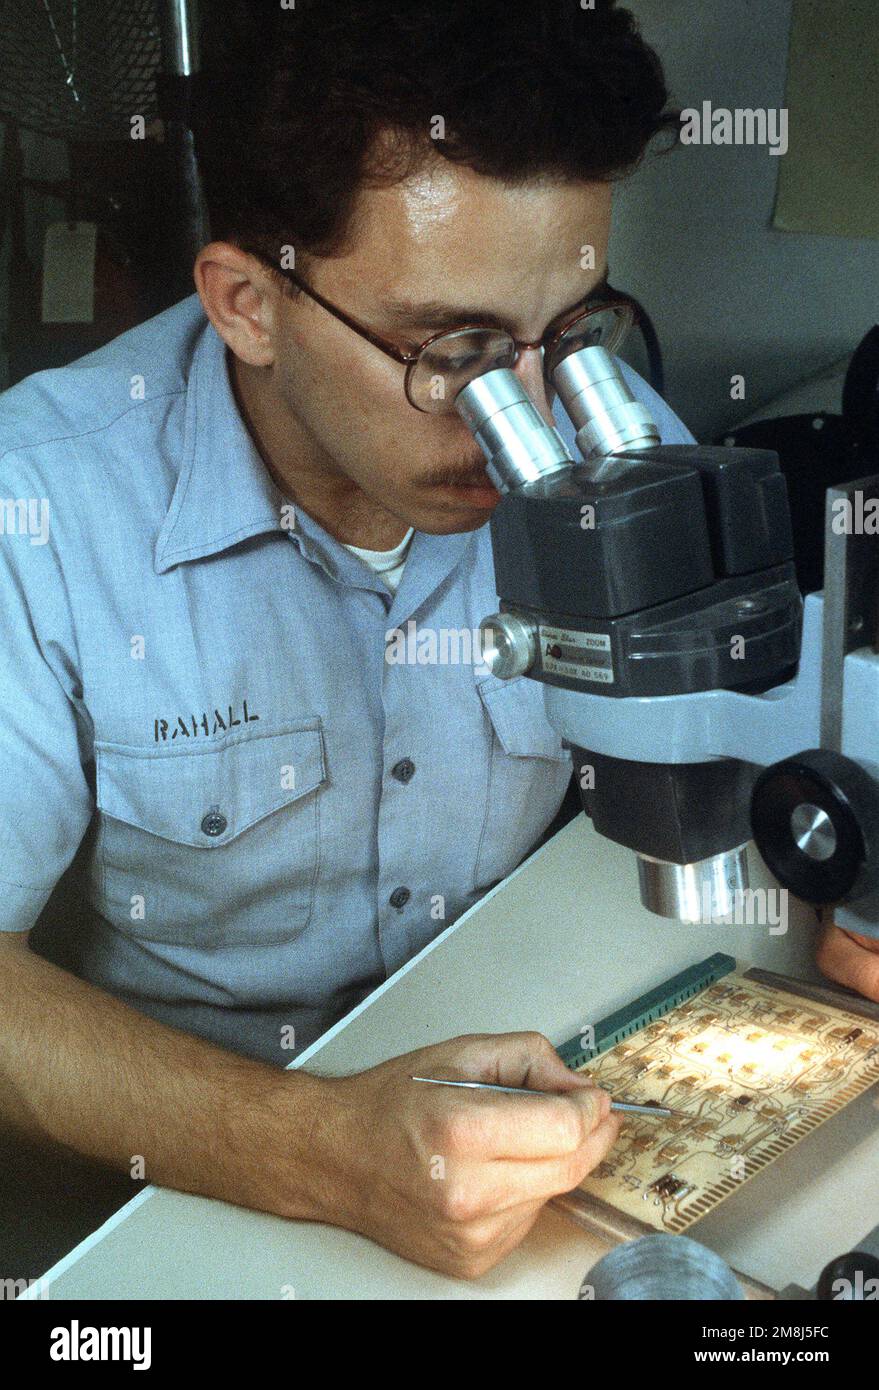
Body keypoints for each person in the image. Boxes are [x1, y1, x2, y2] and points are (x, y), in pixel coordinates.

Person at [0, 0, 869, 1282]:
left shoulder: (607, 436)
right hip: (184, 1172)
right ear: (248, 302)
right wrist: (321, 1149)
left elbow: (731, 770)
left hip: (534, 1103)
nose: (529, 412)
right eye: (452, 351)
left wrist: (832, 893)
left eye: (568, 333)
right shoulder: (44, 509)